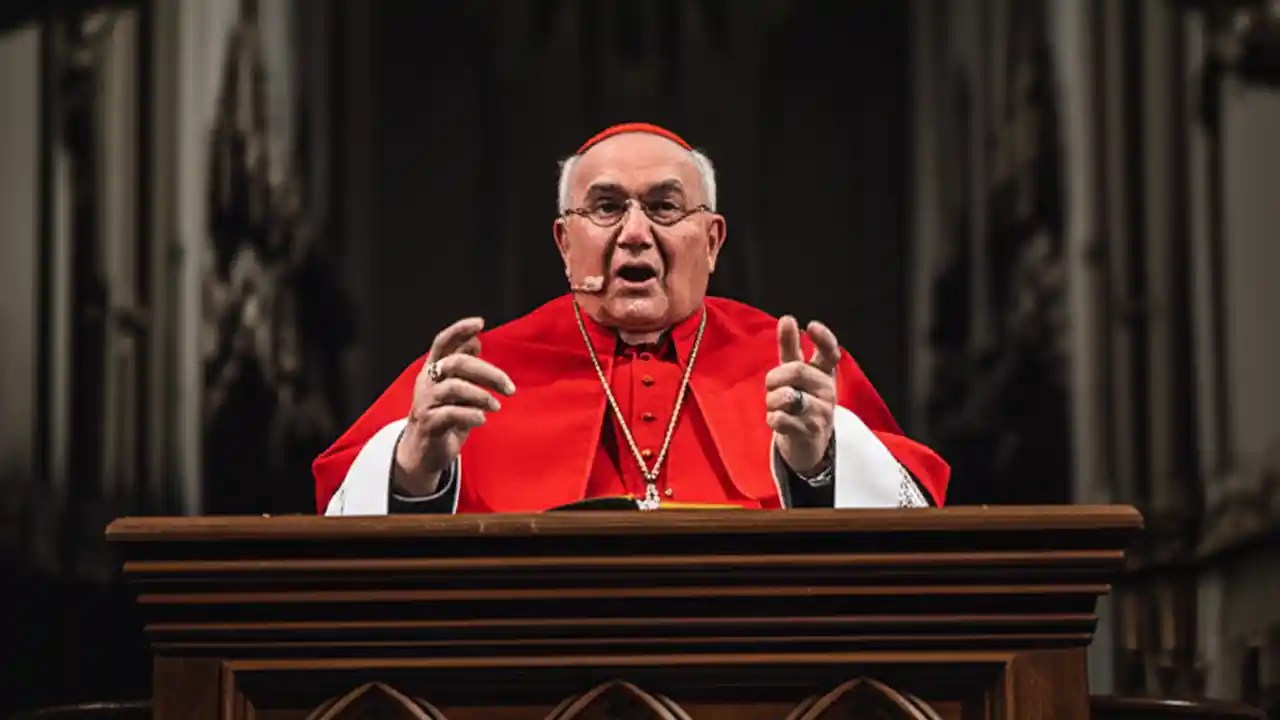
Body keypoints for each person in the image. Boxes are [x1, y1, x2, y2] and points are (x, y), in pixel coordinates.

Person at [313, 123, 949, 515]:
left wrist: (820, 463)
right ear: (565, 243)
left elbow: (906, 534)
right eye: (607, 207)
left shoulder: (790, 368)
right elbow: (345, 530)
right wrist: (415, 467)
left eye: (665, 207)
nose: (636, 233)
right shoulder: (475, 374)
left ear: (713, 241)